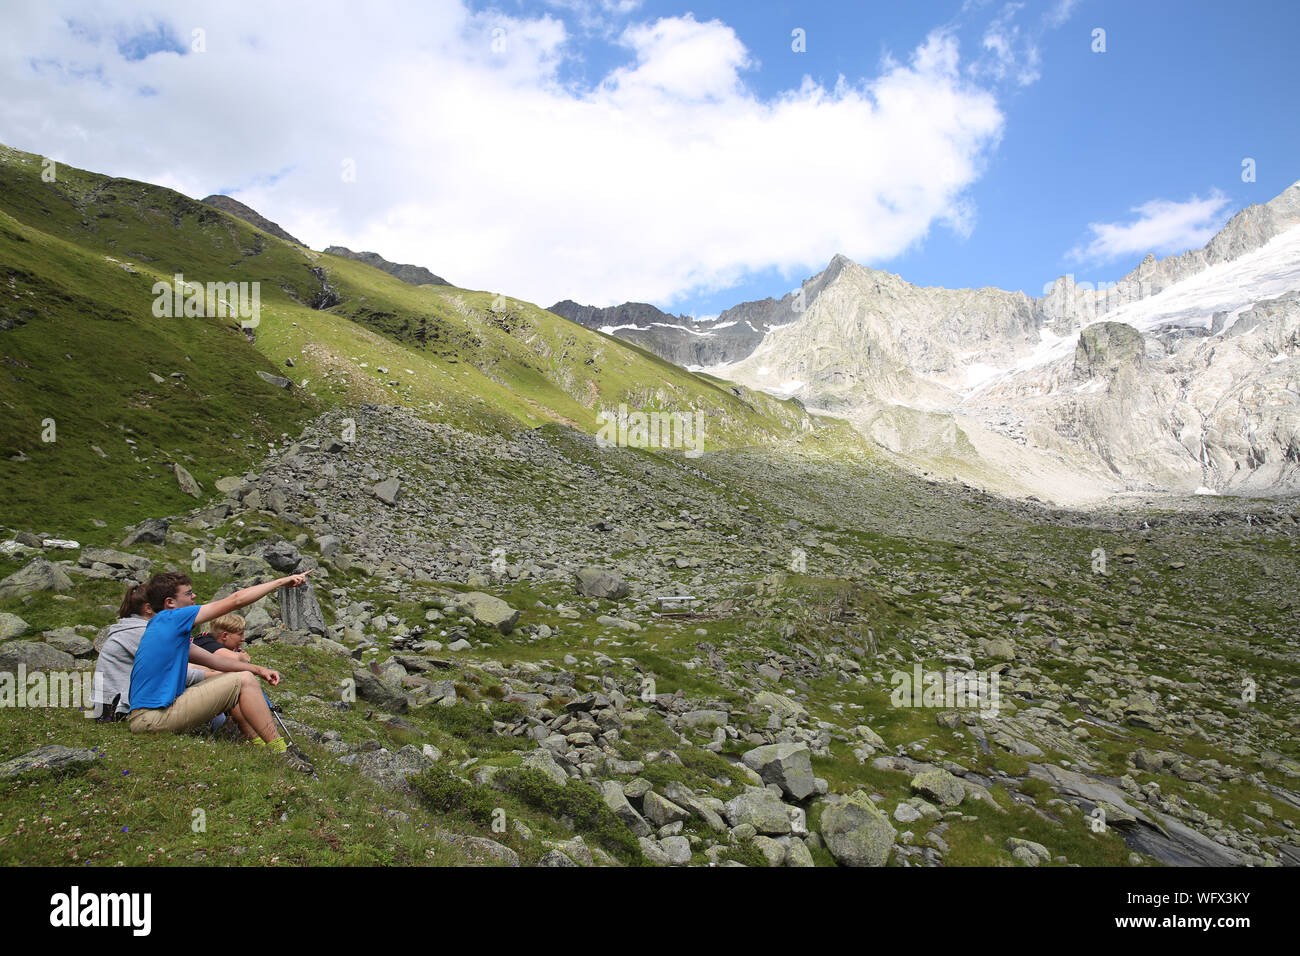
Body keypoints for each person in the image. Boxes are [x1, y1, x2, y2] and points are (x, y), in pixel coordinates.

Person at [127, 570, 315, 773]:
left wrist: (258, 669)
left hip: (148, 717)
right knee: (243, 680)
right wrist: (281, 581)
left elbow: (214, 661)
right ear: (170, 602)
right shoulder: (170, 619)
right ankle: (281, 754)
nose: (194, 597)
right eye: (188, 593)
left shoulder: (164, 629)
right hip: (152, 718)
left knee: (242, 677)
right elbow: (236, 600)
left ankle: (263, 746)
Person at [92, 584, 209, 721]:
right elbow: (173, 671)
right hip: (116, 708)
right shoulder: (140, 632)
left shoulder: (132, 628)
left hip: (110, 705)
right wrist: (213, 674)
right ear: (148, 608)